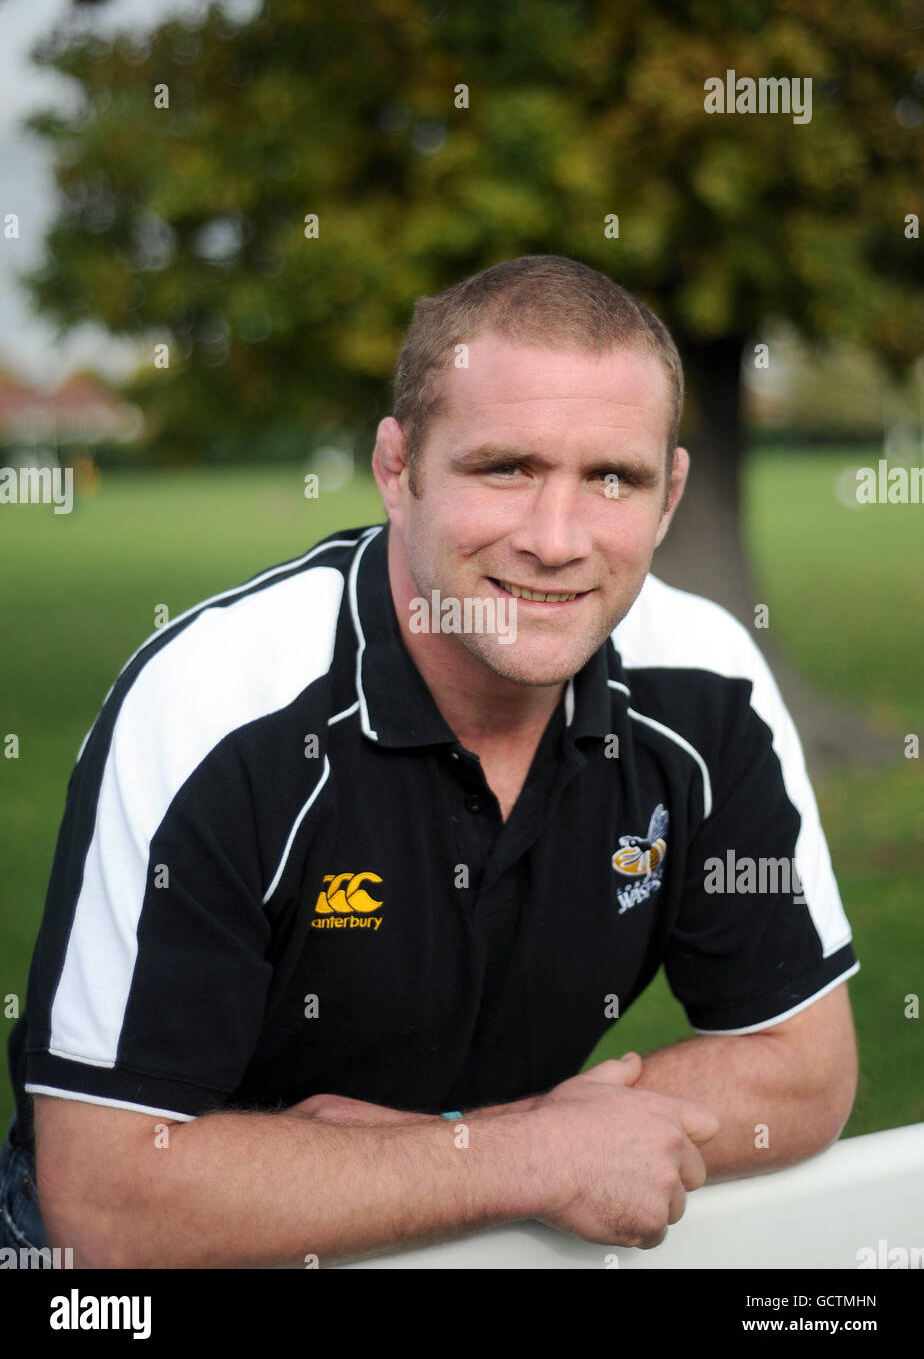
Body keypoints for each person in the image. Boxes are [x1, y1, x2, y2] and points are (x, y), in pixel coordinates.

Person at [3, 254, 859, 1269]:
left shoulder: (707, 680)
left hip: (478, 1238)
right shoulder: (209, 711)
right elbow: (108, 1203)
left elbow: (804, 1067)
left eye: (611, 477)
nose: (556, 538)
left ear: (669, 495)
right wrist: (519, 1157)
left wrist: (487, 1150)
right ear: (396, 471)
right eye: (506, 468)